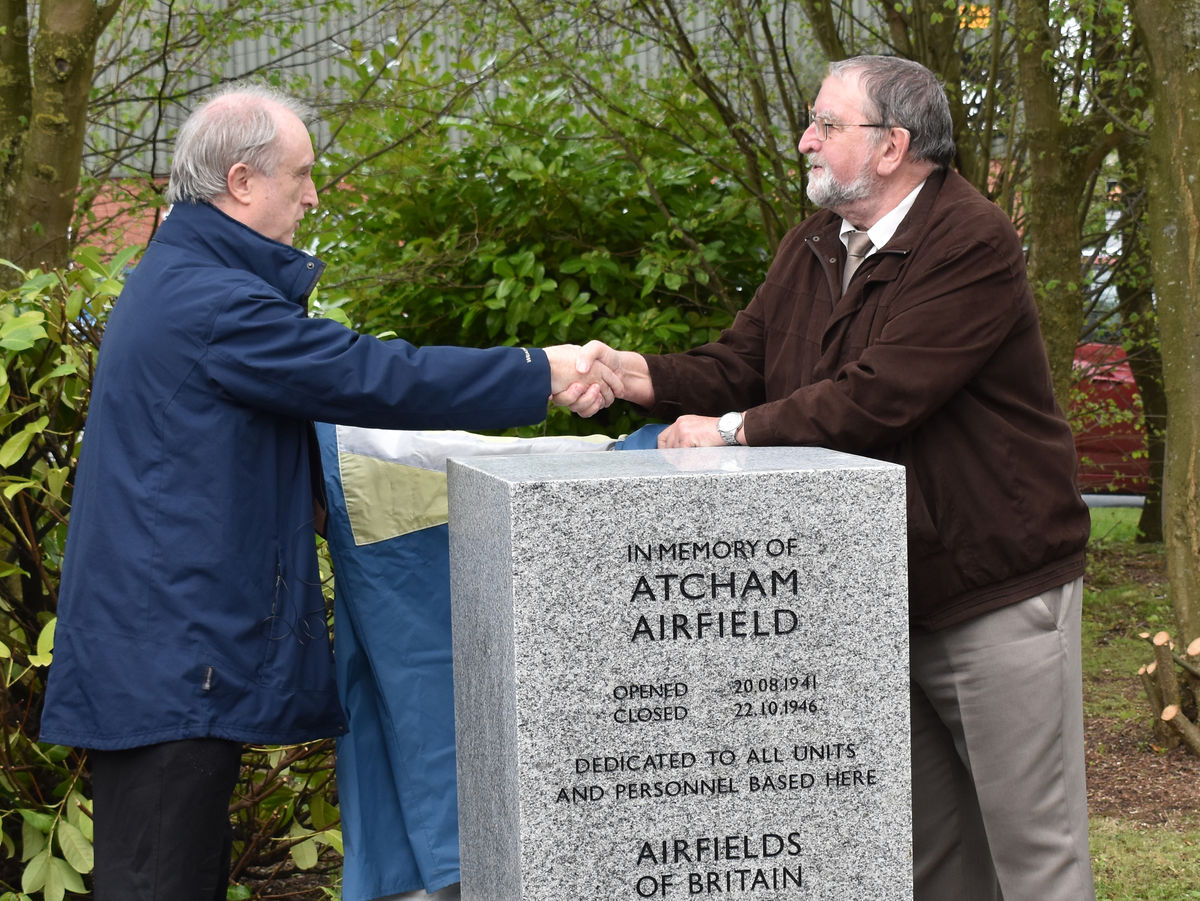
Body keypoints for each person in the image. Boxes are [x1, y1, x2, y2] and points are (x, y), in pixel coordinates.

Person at [37, 83, 616, 901]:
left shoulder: (189, 277)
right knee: (159, 878)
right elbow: (368, 377)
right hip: (169, 658)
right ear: (242, 182)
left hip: (166, 647)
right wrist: (538, 371)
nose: (312, 194)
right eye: (301, 175)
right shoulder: (213, 303)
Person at [568, 55, 1096, 901]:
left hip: (991, 585)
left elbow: (881, 397)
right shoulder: (816, 241)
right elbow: (747, 360)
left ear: (891, 146)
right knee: (930, 857)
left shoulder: (971, 240)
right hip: (878, 592)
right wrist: (641, 376)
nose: (805, 140)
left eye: (826, 125)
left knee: (1034, 854)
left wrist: (732, 432)